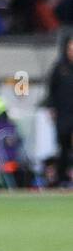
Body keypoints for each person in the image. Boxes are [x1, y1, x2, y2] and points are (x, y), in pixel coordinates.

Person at [45, 36, 73, 186]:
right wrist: (51, 108)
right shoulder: (59, 68)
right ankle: (62, 178)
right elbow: (51, 90)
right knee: (63, 147)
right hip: (63, 114)